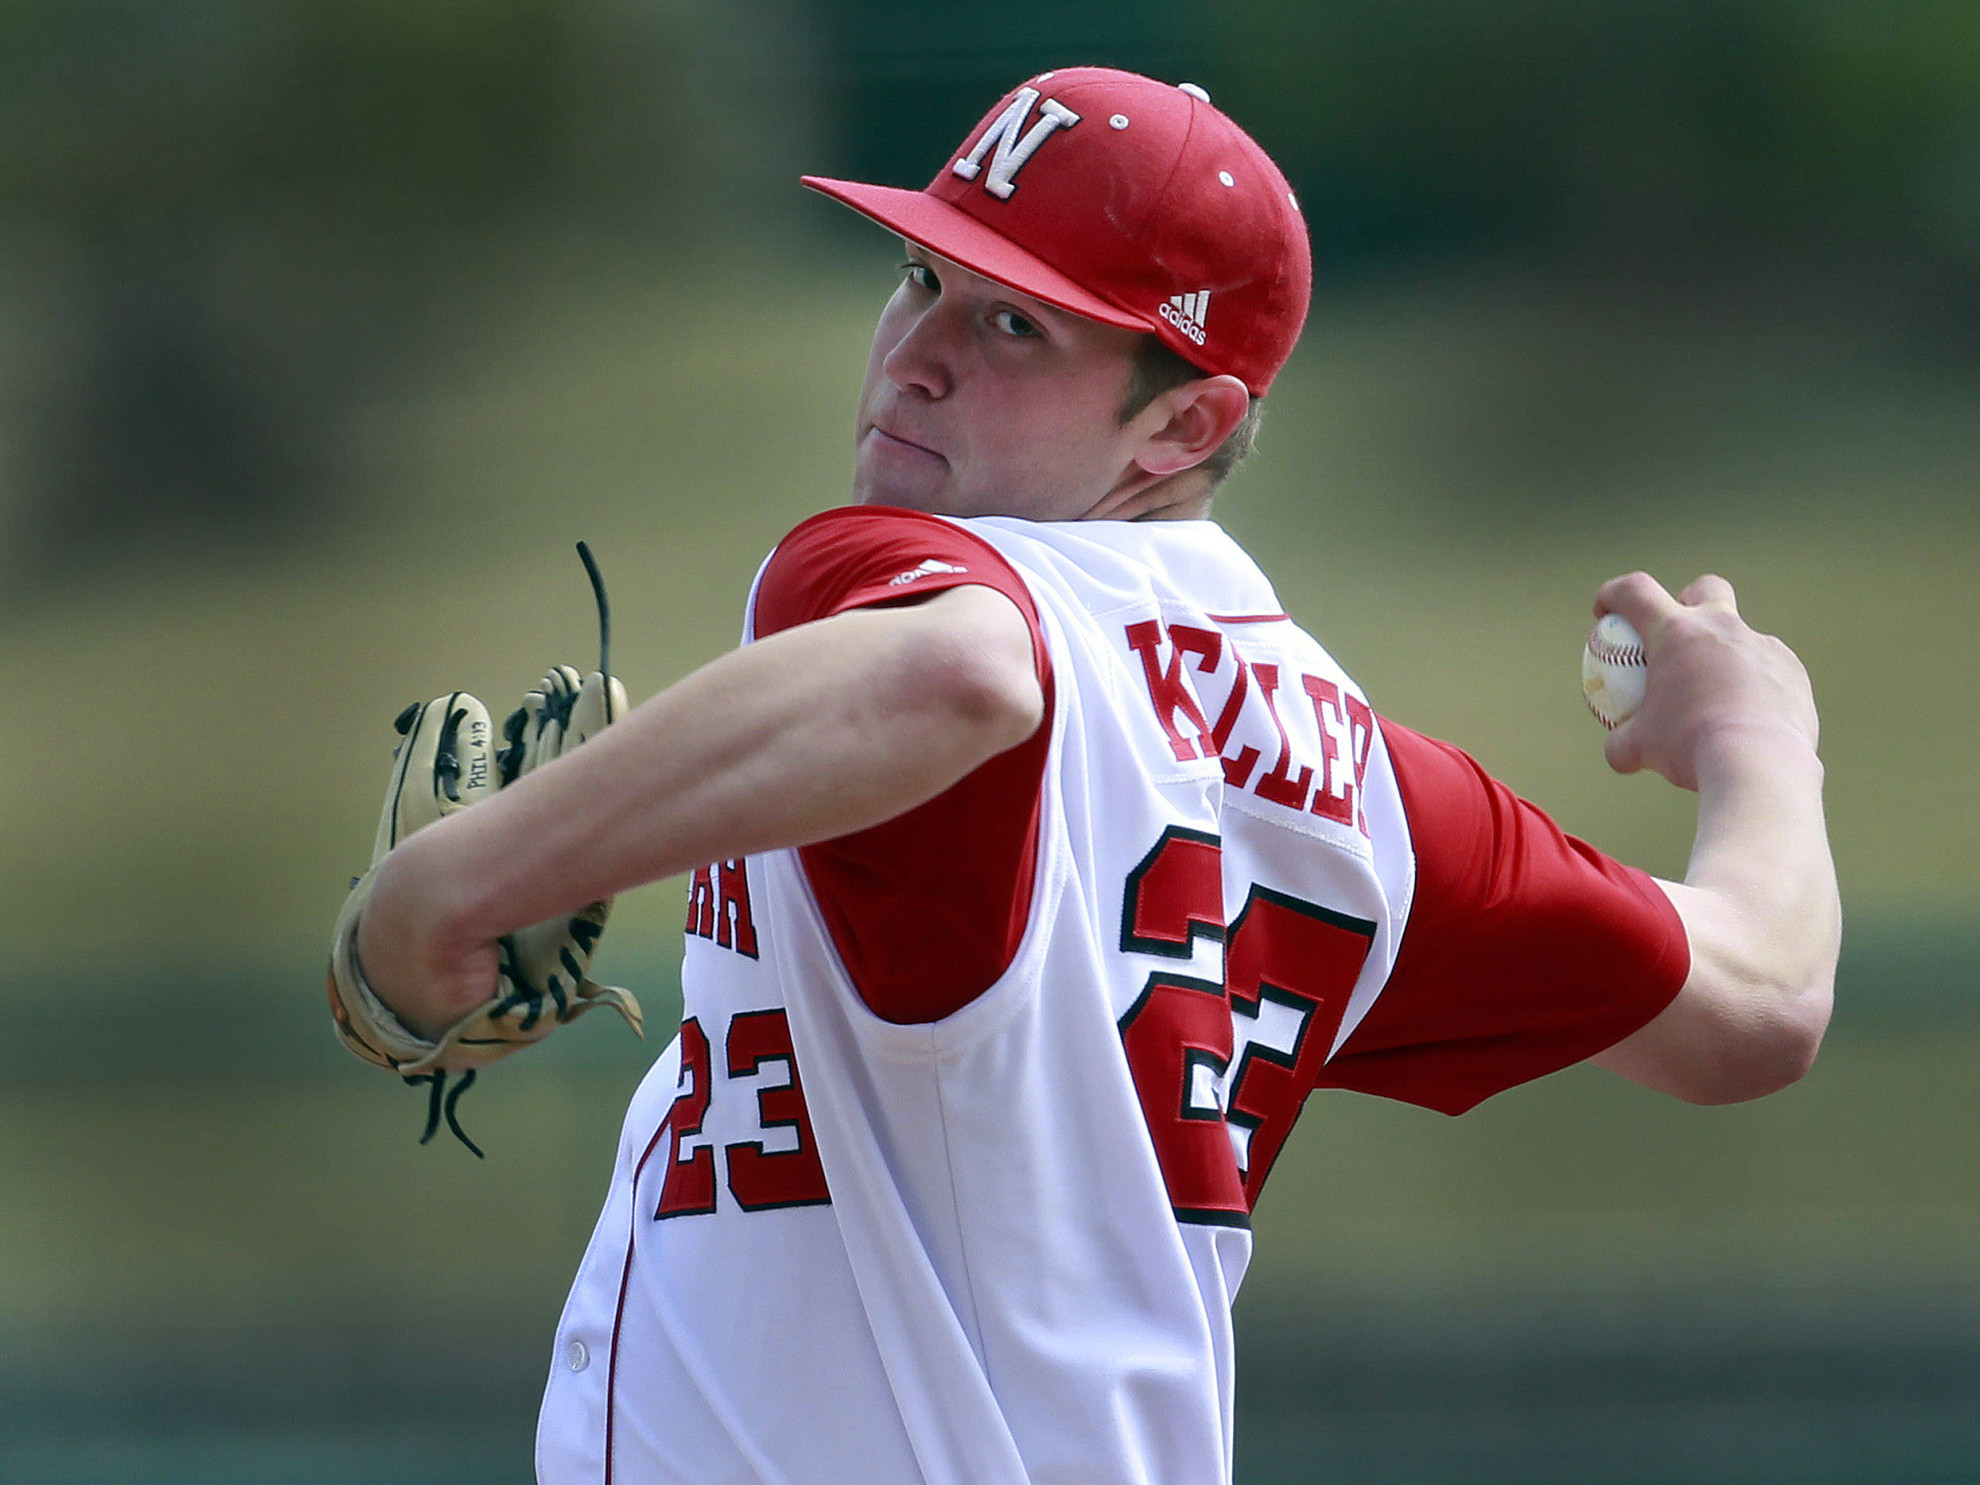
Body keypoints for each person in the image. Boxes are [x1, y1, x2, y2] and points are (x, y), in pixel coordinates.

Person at [349, 68, 1839, 1484]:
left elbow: (964, 678)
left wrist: (458, 886)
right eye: (921, 276)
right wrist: (1757, 745)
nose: (916, 351)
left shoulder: (907, 583)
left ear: (1185, 423)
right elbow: (1757, 1008)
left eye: (1015, 328)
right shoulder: (1368, 794)